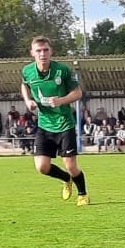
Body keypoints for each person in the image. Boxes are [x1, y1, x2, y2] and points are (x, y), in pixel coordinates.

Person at [19, 35, 90, 206]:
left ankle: (83, 194)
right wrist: (28, 101)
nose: (42, 54)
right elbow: (24, 84)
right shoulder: (27, 71)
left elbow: (78, 93)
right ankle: (66, 179)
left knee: (71, 166)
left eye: (45, 50)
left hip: (65, 124)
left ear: (51, 51)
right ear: (32, 53)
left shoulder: (62, 70)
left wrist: (60, 100)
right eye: (38, 51)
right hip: (44, 125)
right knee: (42, 167)